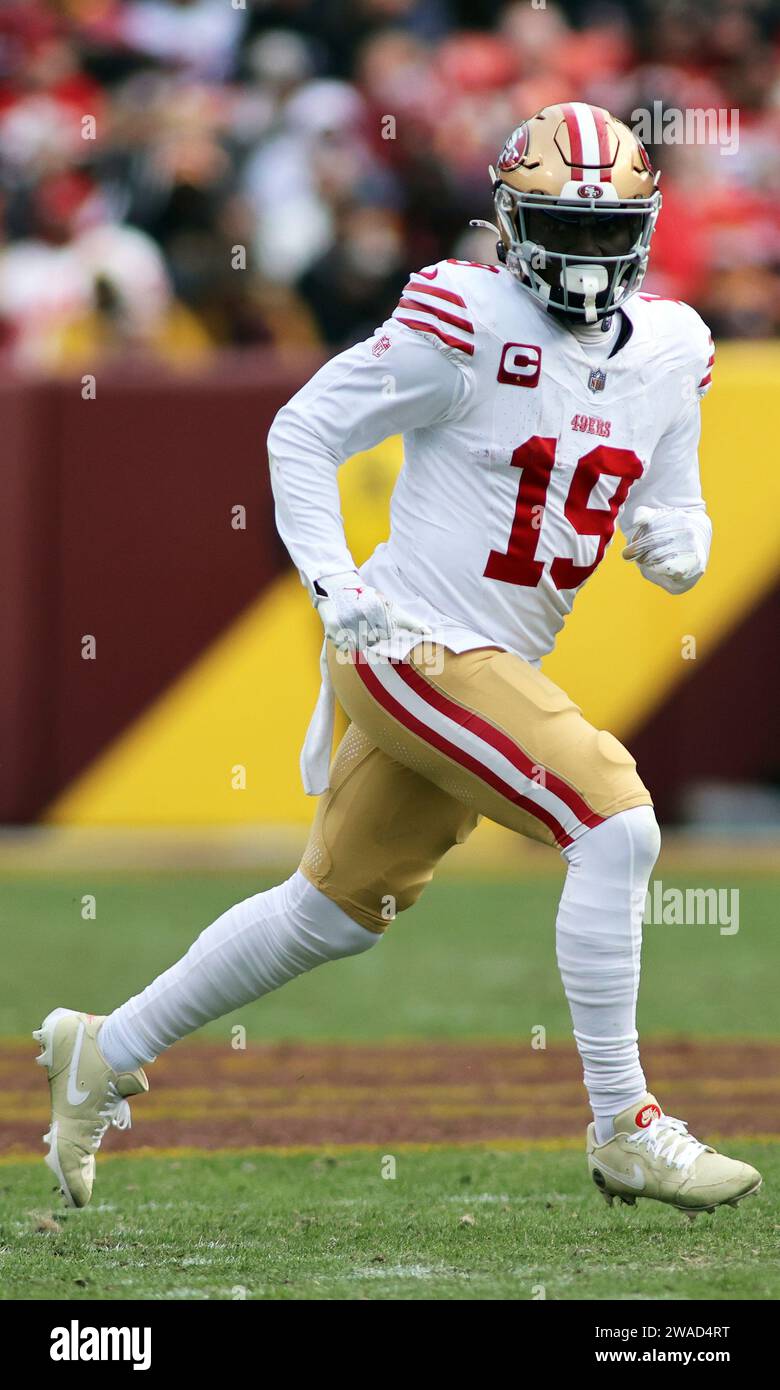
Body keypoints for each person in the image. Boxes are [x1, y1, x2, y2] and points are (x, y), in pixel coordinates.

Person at [35, 102, 760, 1216]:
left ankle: (101, 1048)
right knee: (616, 820)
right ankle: (625, 1124)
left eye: (607, 233)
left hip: (486, 655)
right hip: (408, 639)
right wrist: (338, 585)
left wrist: (684, 544)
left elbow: (677, 518)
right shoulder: (464, 317)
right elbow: (302, 431)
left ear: (647, 235)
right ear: (513, 226)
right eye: (562, 227)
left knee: (330, 912)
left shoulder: (673, 347)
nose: (584, 257)